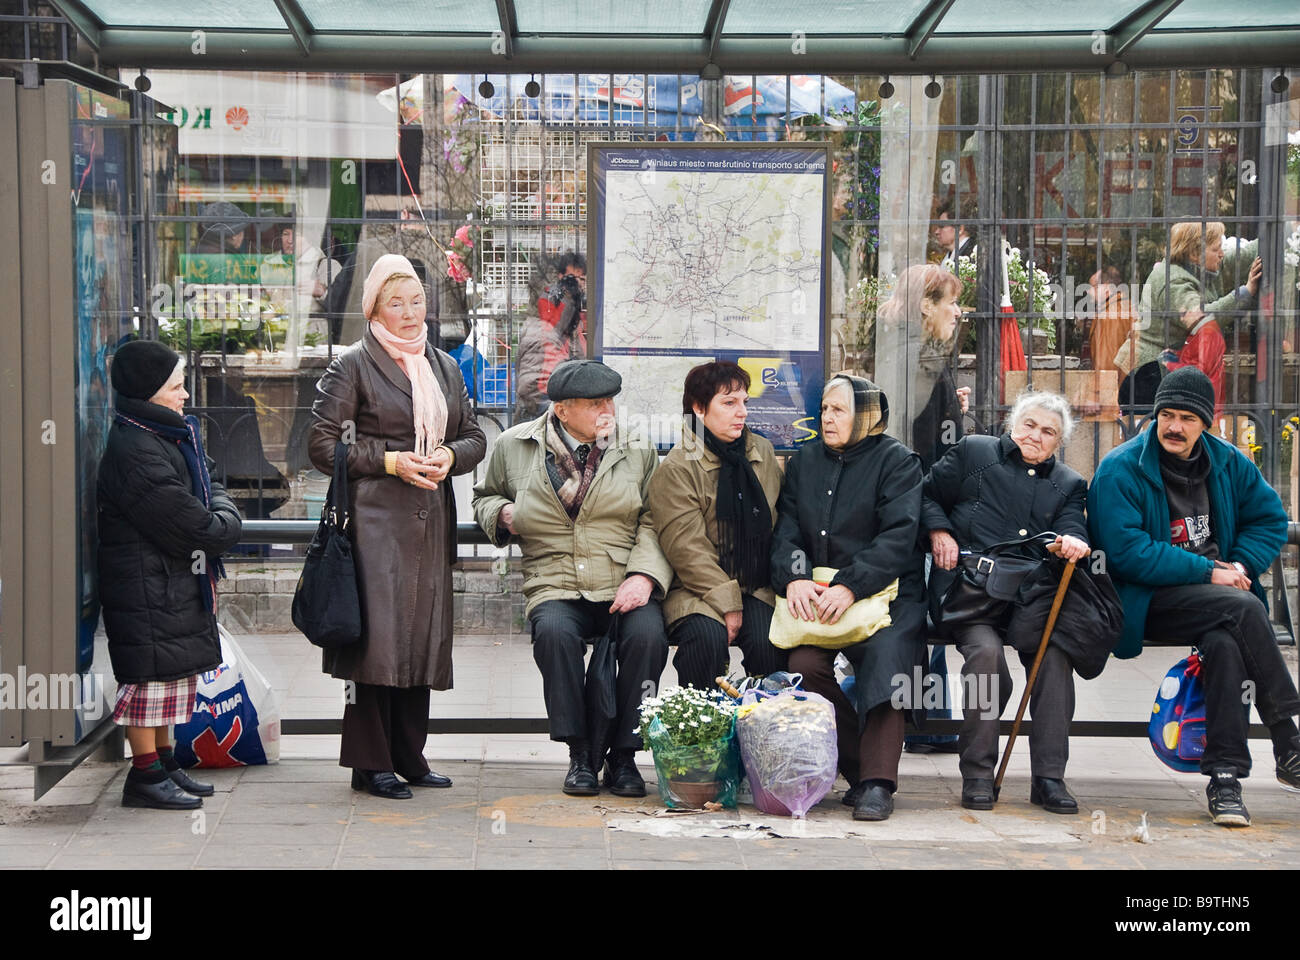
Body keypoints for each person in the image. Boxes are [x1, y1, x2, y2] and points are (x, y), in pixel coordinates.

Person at [1089, 366, 1300, 827]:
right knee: (1241, 609)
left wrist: (1240, 566)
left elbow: (1269, 519)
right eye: (1167, 415)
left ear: (1206, 423)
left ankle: (1224, 779)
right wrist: (1209, 571)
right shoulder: (1120, 470)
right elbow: (1127, 554)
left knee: (1227, 640)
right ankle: (1288, 738)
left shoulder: (1227, 462)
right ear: (1155, 416)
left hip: (1219, 602)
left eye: (1187, 417)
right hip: (1147, 603)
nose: (1174, 426)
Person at [308, 253, 486, 800]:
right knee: (377, 648)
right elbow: (321, 444)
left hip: (428, 523)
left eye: (417, 302)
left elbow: (474, 435)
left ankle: (409, 754)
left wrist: (450, 457)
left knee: (420, 643)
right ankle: (370, 762)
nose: (410, 314)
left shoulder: (445, 366)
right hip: (373, 527)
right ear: (374, 310)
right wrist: (390, 461)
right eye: (396, 303)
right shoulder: (353, 366)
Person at [472, 359, 671, 797]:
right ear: (561, 410)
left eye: (610, 400)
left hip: (622, 580)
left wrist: (643, 578)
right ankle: (580, 753)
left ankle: (623, 757)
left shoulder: (636, 448)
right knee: (555, 636)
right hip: (554, 580)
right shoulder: (513, 445)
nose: (608, 411)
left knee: (648, 637)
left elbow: (656, 520)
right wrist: (502, 515)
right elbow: (484, 498)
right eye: (595, 403)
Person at [921, 390, 1091, 814]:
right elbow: (923, 496)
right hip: (972, 594)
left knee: (1054, 659)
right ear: (1012, 423)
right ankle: (978, 774)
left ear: (1058, 442)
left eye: (1048, 431)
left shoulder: (1068, 484)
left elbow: (1074, 528)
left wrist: (1075, 542)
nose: (1036, 435)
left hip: (1031, 599)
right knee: (985, 656)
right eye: (1029, 424)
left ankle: (1049, 778)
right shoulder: (973, 453)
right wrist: (939, 531)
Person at [770, 375, 927, 822]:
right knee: (803, 666)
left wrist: (851, 584)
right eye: (823, 409)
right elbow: (787, 527)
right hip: (820, 595)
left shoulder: (898, 462)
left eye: (838, 410)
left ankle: (879, 784)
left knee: (886, 660)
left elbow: (899, 537)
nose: (826, 418)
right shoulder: (805, 460)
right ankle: (859, 768)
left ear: (867, 417)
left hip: (887, 595)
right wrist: (794, 576)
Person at [97, 340, 243, 809]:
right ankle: (143, 777)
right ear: (150, 392)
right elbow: (193, 526)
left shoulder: (167, 435)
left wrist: (218, 509)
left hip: (164, 581)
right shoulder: (136, 448)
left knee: (169, 677)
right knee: (148, 682)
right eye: (176, 387)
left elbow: (212, 483)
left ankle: (163, 765)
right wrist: (224, 521)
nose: (185, 396)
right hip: (146, 585)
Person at [877, 262, 972, 755]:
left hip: (919, 502)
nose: (959, 311)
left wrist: (950, 407)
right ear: (924, 306)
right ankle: (928, 719)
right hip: (916, 504)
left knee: (913, 607)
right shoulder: (922, 354)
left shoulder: (915, 351)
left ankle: (929, 718)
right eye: (950, 301)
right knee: (914, 607)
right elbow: (912, 444)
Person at [647, 361, 786, 693]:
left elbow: (780, 522)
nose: (742, 413)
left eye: (744, 402)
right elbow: (687, 550)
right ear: (698, 408)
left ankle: (764, 734)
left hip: (755, 585)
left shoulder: (762, 453)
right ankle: (703, 736)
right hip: (695, 589)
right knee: (706, 639)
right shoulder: (679, 467)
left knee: (771, 643)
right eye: (729, 403)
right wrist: (728, 603)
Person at [1125, 221, 1263, 415]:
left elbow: (1242, 256)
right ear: (1194, 254)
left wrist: (1287, 230)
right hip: (1152, 375)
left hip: (1173, 367)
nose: (1222, 254)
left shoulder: (1202, 267)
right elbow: (1201, 319)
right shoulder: (1172, 280)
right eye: (1216, 250)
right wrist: (1246, 292)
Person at [513, 251, 587, 422]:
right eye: (570, 279)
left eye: (581, 279)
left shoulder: (568, 330)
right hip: (541, 422)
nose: (577, 285)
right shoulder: (542, 332)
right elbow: (534, 391)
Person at [1086, 264, 1138, 375]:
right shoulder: (1123, 307)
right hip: (1126, 385)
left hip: (1113, 386)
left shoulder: (1110, 315)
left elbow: (1107, 365)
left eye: (1094, 287)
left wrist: (1103, 390)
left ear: (1107, 288)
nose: (1089, 292)